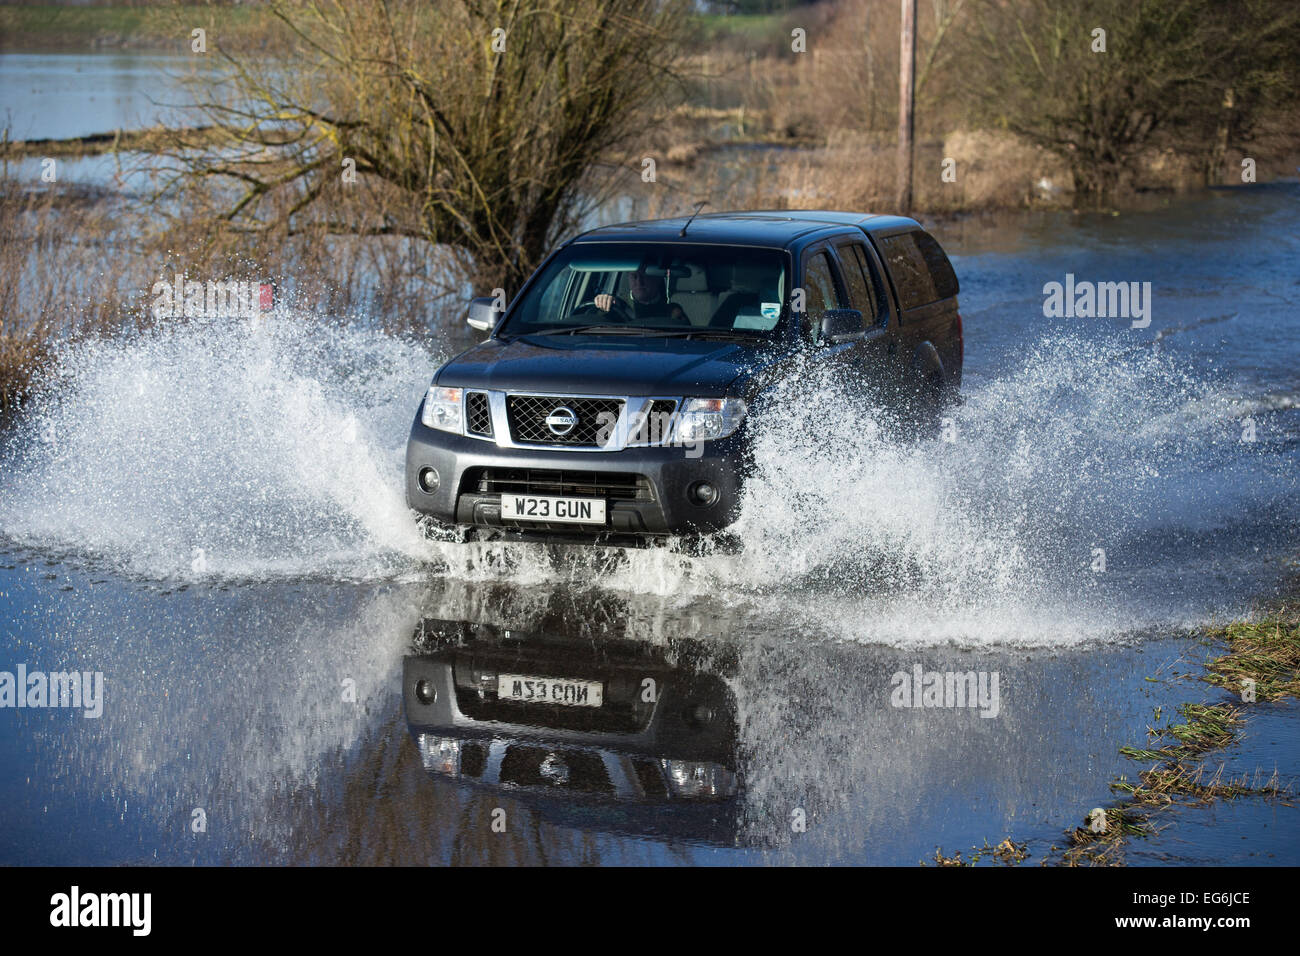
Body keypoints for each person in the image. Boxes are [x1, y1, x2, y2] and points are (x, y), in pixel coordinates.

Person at [594, 265, 687, 323]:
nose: (639, 282)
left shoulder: (671, 311)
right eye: (634, 276)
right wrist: (603, 306)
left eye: (645, 276)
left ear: (658, 278)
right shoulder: (616, 305)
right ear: (628, 278)